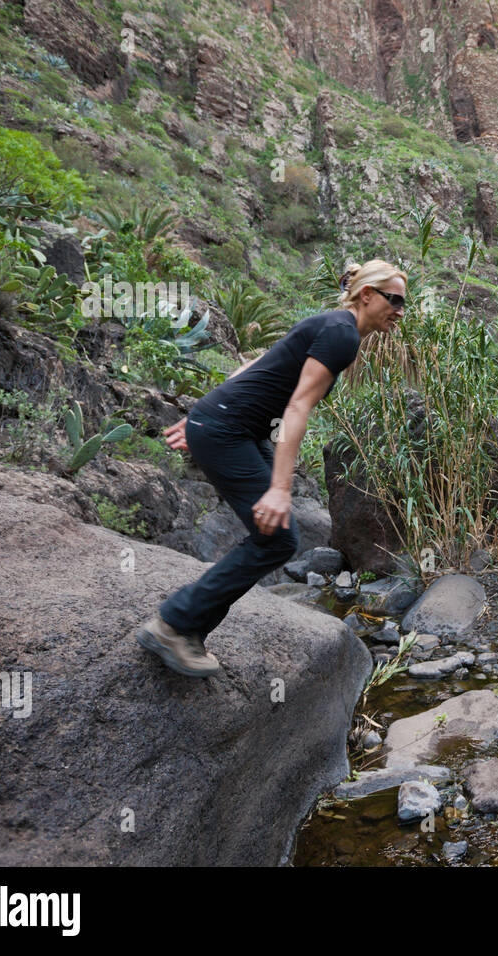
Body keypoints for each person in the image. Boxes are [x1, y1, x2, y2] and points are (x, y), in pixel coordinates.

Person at [133, 259, 407, 677]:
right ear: (367, 295)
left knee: (273, 535)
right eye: (395, 300)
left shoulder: (333, 325)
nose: (401, 310)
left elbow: (257, 365)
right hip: (229, 431)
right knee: (278, 540)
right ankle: (174, 624)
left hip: (232, 426)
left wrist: (202, 413)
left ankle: (188, 629)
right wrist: (279, 488)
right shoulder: (342, 335)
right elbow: (298, 406)